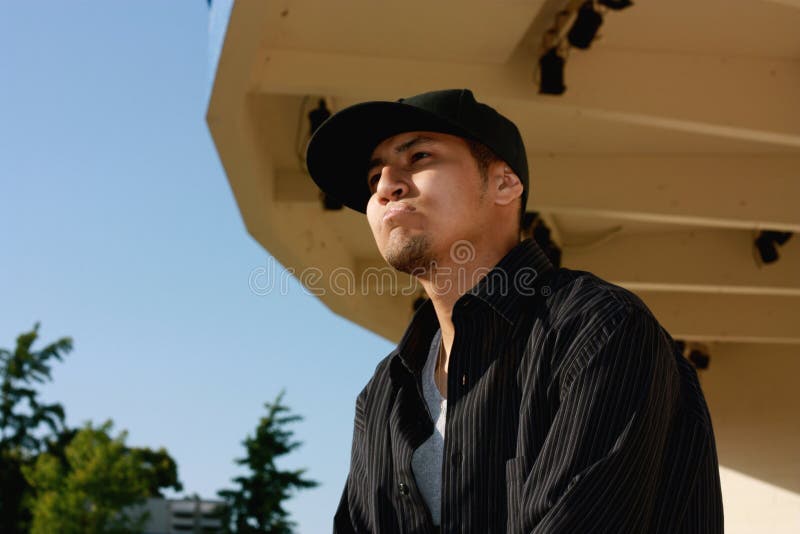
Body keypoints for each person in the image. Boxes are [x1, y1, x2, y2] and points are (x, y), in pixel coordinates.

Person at [306, 89, 723, 533]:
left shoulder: (599, 329)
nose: (387, 187)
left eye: (420, 156)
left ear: (505, 183)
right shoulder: (383, 396)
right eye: (374, 180)